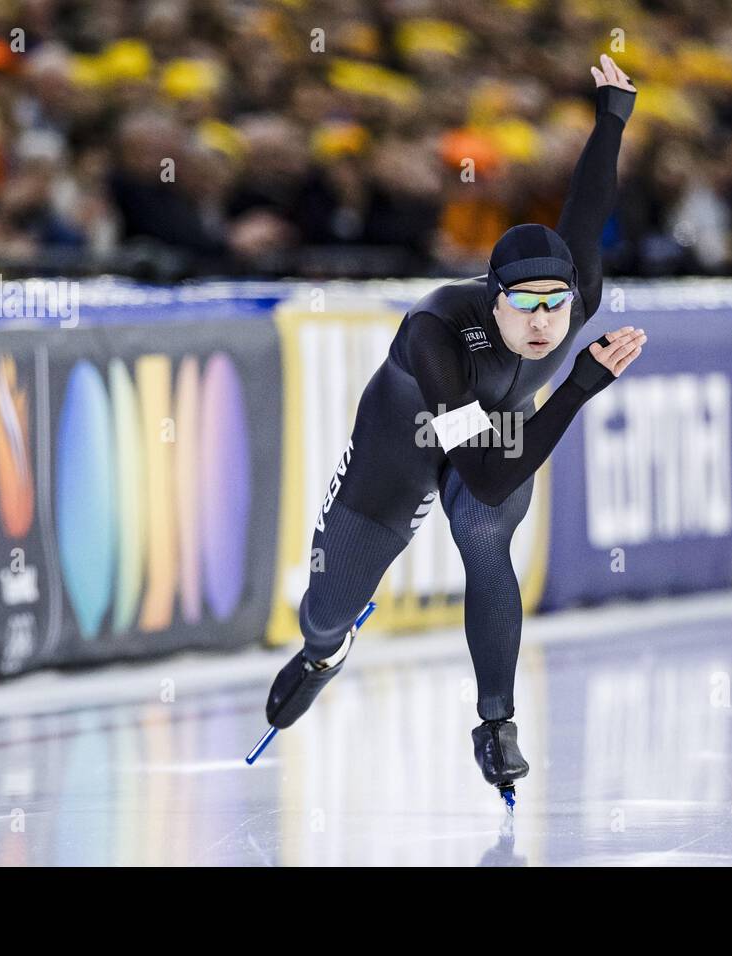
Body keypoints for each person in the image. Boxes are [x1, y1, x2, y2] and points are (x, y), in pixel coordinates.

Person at [265, 55, 646, 794]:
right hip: (407, 441)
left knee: (484, 536)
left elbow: (586, 207)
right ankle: (323, 654)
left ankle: (496, 724)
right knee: (328, 607)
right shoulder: (438, 330)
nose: (543, 326)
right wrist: (576, 389)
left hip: (498, 425)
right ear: (492, 298)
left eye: (556, 306)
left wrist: (611, 118)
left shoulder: (577, 298)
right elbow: (482, 469)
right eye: (524, 306)